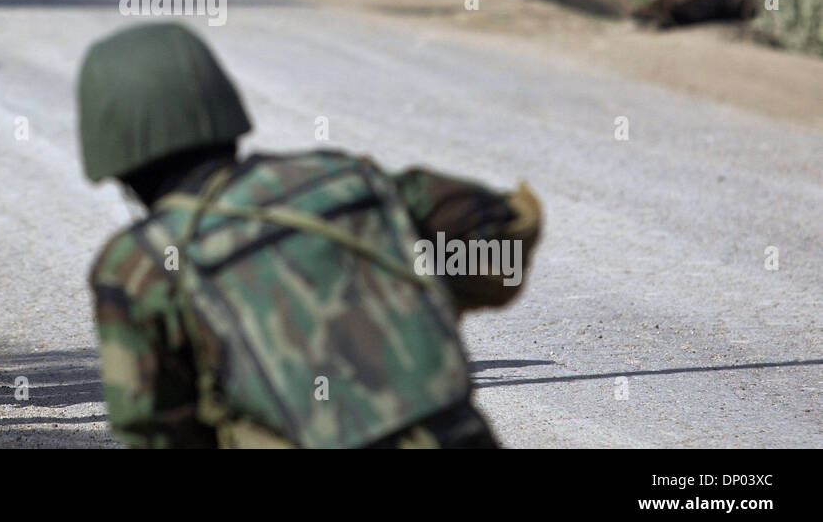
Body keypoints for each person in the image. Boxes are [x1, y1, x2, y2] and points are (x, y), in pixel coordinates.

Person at [77, 22, 542, 448]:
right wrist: (424, 296)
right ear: (225, 109)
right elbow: (505, 230)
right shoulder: (347, 181)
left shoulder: (136, 265)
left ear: (113, 159)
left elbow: (155, 433)